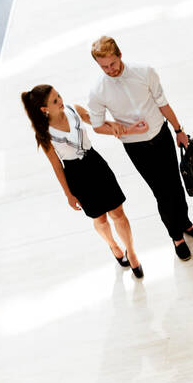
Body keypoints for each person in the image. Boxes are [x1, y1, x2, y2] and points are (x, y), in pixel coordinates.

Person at [87, 36, 193, 261]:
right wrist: (127, 130)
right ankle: (176, 237)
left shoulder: (144, 72)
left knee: (175, 183)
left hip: (161, 137)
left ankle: (186, 224)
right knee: (161, 192)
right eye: (103, 66)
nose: (109, 70)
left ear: (120, 55)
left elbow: (162, 103)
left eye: (112, 63)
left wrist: (178, 130)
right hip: (137, 148)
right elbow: (97, 126)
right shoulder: (98, 91)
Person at [21, 84, 144, 276]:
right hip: (76, 173)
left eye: (59, 95)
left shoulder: (73, 110)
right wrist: (68, 194)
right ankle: (113, 245)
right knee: (100, 218)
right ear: (44, 109)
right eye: (55, 101)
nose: (60, 101)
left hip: (95, 162)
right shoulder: (44, 134)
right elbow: (56, 165)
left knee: (118, 212)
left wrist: (121, 128)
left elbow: (98, 123)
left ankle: (132, 253)